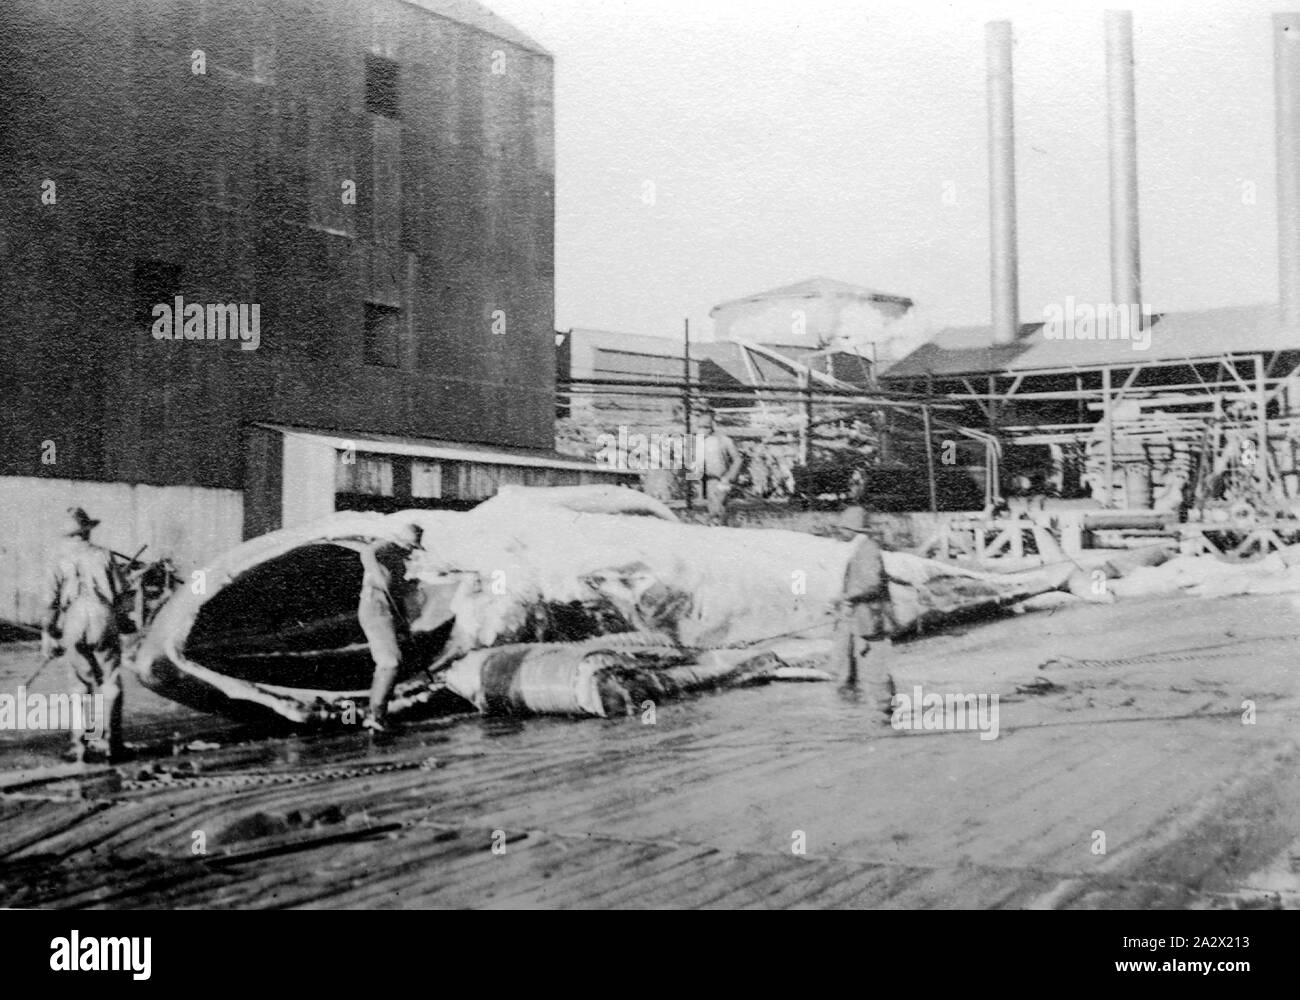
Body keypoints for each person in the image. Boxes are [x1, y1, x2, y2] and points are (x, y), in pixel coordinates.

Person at [41, 507, 126, 762]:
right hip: (102, 616)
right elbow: (121, 595)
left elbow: (50, 603)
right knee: (110, 680)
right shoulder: (105, 555)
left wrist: (49, 635)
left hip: (74, 619)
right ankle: (111, 743)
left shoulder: (58, 559)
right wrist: (122, 622)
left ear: (67, 535)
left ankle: (82, 744)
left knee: (79, 683)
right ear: (88, 530)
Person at [830, 505, 898, 719]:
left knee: (874, 664)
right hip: (864, 616)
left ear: (853, 529)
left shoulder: (867, 550)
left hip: (872, 618)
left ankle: (887, 708)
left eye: (843, 528)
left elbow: (872, 583)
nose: (840, 532)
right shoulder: (862, 548)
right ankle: (881, 706)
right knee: (860, 661)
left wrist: (847, 596)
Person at [696, 409, 743, 525]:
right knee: (712, 506)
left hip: (722, 479)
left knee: (719, 507)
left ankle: (714, 521)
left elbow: (738, 459)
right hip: (706, 480)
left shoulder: (724, 440)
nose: (702, 430)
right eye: (700, 427)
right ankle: (713, 523)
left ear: (712, 426)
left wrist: (729, 477)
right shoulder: (698, 442)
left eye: (706, 427)